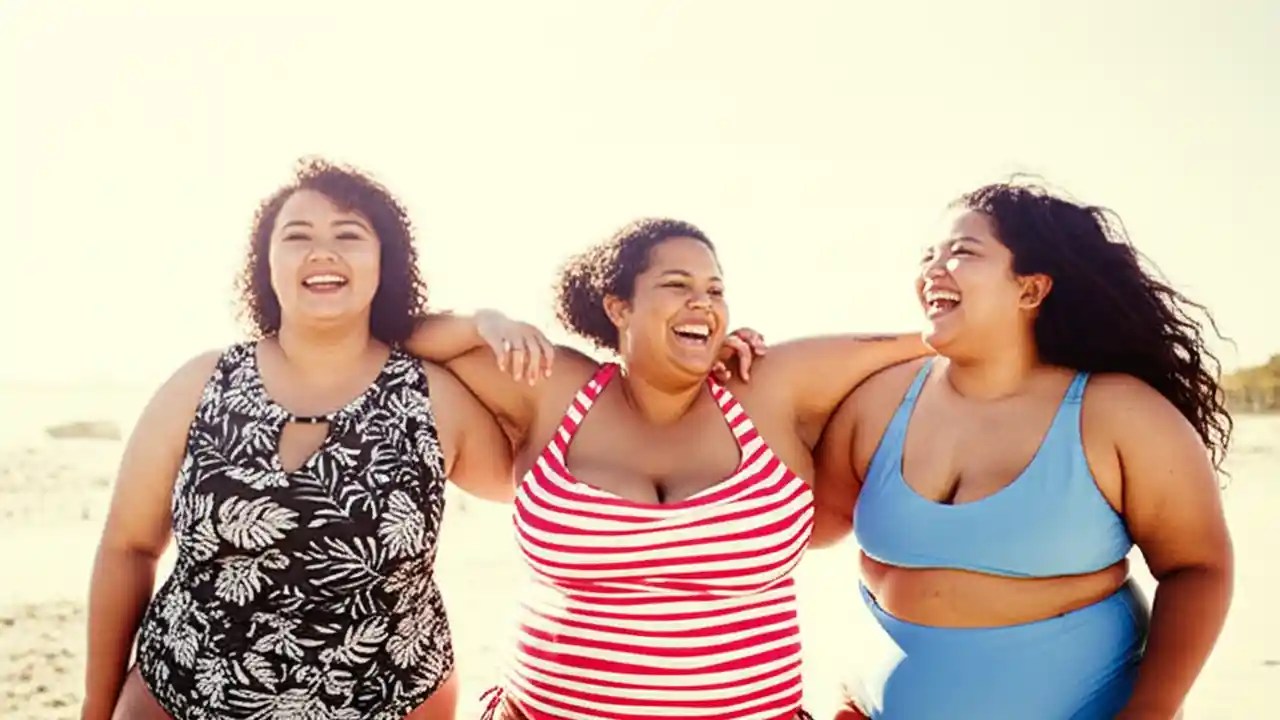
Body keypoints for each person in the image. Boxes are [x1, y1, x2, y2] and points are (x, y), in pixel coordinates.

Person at [402, 217, 934, 719]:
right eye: (678, 286)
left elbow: (924, 346)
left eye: (715, 290)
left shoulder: (770, 387)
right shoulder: (553, 387)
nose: (703, 302)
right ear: (619, 308)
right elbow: (392, 338)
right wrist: (483, 323)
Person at [81, 158, 543, 720]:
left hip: (389, 702)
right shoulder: (200, 384)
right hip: (183, 694)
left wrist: (477, 327)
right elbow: (128, 548)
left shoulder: (436, 397)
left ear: (383, 263)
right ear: (267, 263)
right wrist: (95, 705)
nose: (322, 251)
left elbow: (546, 487)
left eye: (349, 235)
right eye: (297, 235)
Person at [813, 180, 1234, 719]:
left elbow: (1198, 568)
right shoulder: (879, 402)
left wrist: (1149, 713)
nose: (933, 269)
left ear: (1030, 291)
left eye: (962, 252)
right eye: (928, 255)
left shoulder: (1119, 415)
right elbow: (802, 528)